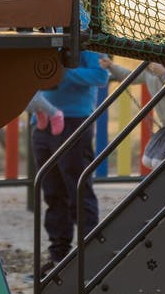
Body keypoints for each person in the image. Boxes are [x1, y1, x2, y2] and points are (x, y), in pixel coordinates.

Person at [31, 51, 108, 274]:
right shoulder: (44, 36)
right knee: (52, 192)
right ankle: (58, 256)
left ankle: (90, 255)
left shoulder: (85, 40)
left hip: (75, 120)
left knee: (78, 188)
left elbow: (100, 76)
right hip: (43, 120)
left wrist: (62, 72)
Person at [100, 57, 165, 169]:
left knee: (160, 163)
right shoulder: (148, 73)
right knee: (148, 160)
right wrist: (112, 66)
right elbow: (130, 76)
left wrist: (164, 73)